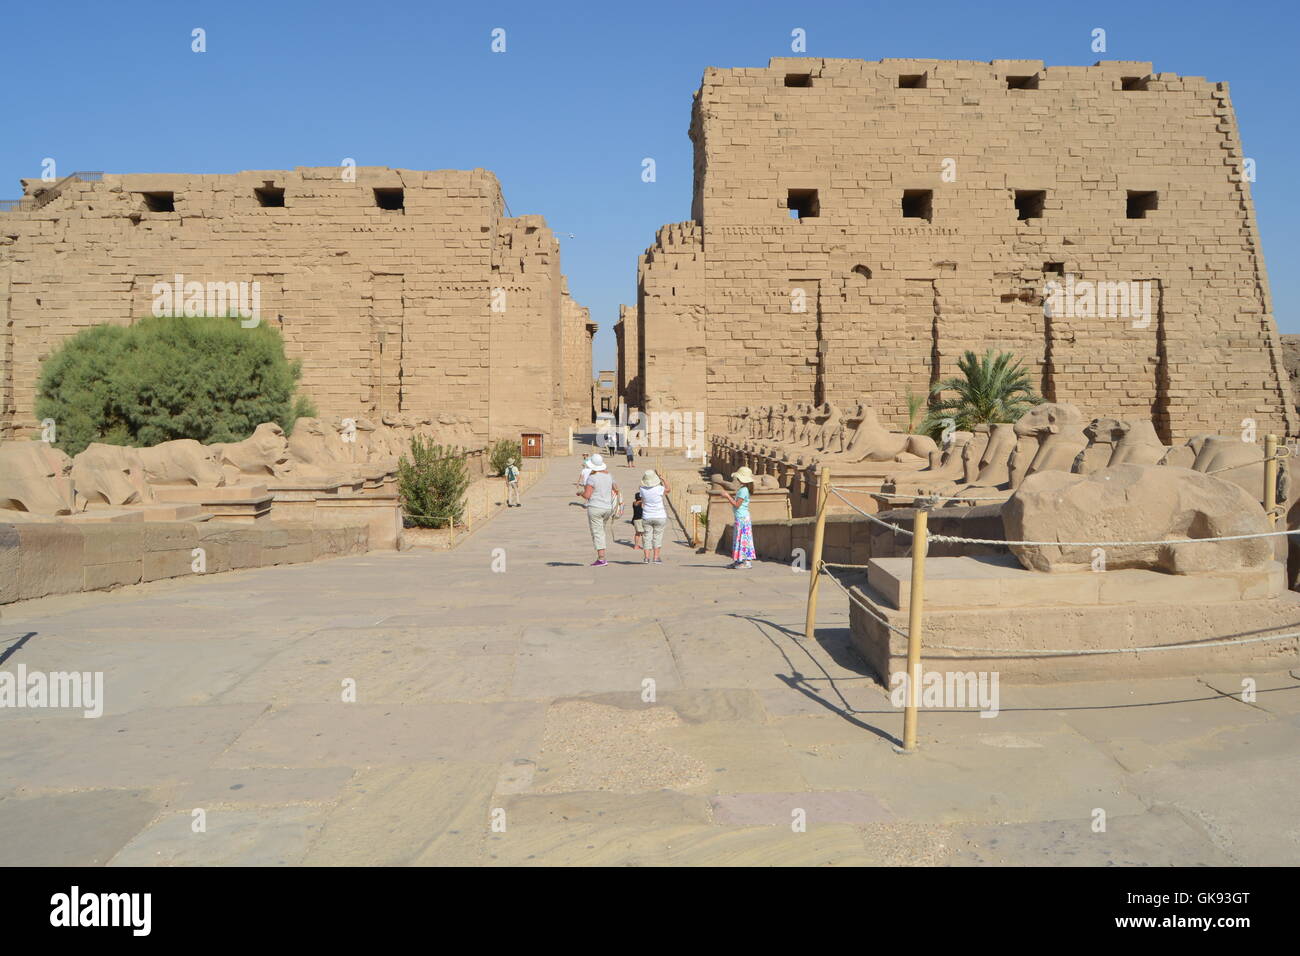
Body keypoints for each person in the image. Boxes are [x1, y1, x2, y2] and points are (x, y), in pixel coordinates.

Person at [578, 453, 619, 566]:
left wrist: (581, 493)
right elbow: (616, 488)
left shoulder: (592, 478)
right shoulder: (609, 475)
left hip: (596, 507)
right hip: (608, 507)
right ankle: (601, 556)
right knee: (601, 531)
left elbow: (587, 495)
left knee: (597, 532)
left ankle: (601, 558)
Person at [717, 466, 756, 569]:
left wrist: (727, 496)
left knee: (743, 539)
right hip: (741, 517)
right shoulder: (743, 489)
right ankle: (739, 560)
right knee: (740, 539)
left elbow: (737, 504)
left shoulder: (743, 490)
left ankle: (746, 562)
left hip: (742, 518)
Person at [638, 469, 670, 564]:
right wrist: (663, 479)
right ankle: (656, 558)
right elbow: (668, 490)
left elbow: (643, 501)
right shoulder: (659, 488)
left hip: (647, 515)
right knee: (657, 537)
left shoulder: (642, 489)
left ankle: (646, 558)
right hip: (659, 515)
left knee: (646, 537)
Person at [631, 490, 645, 555]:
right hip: (641, 519)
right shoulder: (642, 503)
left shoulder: (634, 503)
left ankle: (636, 546)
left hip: (635, 520)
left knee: (637, 533)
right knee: (644, 533)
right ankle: (645, 546)